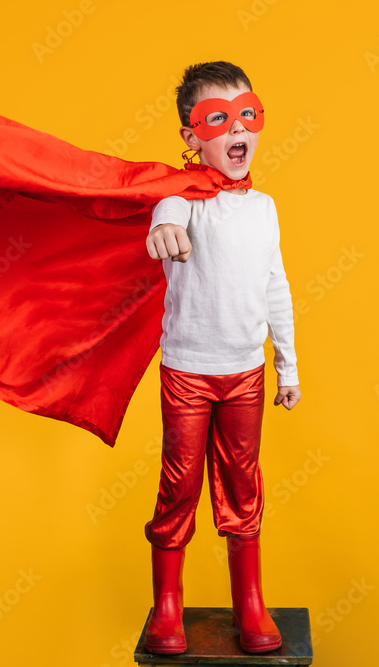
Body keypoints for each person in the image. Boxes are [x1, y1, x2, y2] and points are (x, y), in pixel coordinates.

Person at [140, 61, 301, 655]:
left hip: (246, 375)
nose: (238, 129)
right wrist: (163, 227)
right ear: (193, 136)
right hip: (187, 371)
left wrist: (287, 367)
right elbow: (167, 213)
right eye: (219, 118)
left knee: (242, 485)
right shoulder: (181, 200)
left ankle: (250, 604)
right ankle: (167, 607)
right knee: (179, 485)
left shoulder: (264, 209)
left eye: (248, 115)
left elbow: (275, 285)